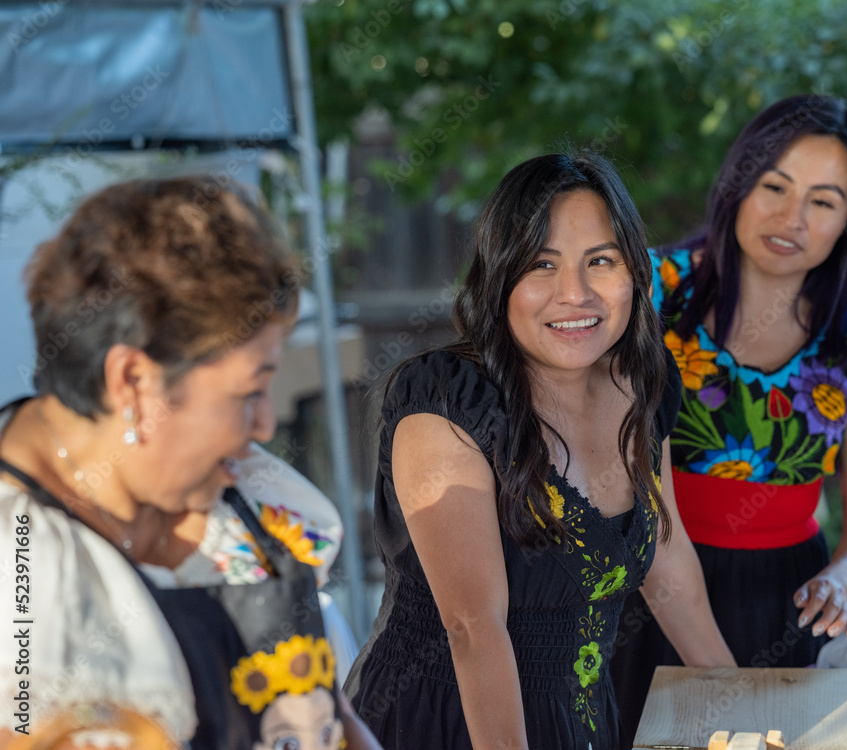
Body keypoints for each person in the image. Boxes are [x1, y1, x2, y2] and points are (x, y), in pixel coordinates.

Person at [343, 152, 735, 750]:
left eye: (600, 261)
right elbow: (473, 628)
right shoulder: (445, 399)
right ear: (501, 279)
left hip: (581, 720)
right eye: (541, 265)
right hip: (445, 723)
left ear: (634, 272)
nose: (573, 294)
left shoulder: (645, 386)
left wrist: (747, 701)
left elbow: (668, 568)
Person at [0, 176, 380, 750]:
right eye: (249, 391)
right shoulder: (18, 564)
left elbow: (335, 719)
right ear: (132, 381)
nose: (264, 426)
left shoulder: (249, 500)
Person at [610, 94, 847, 744]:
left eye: (823, 202)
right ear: (740, 182)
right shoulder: (648, 295)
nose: (791, 217)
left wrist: (840, 578)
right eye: (775, 185)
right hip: (642, 587)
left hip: (783, 602)